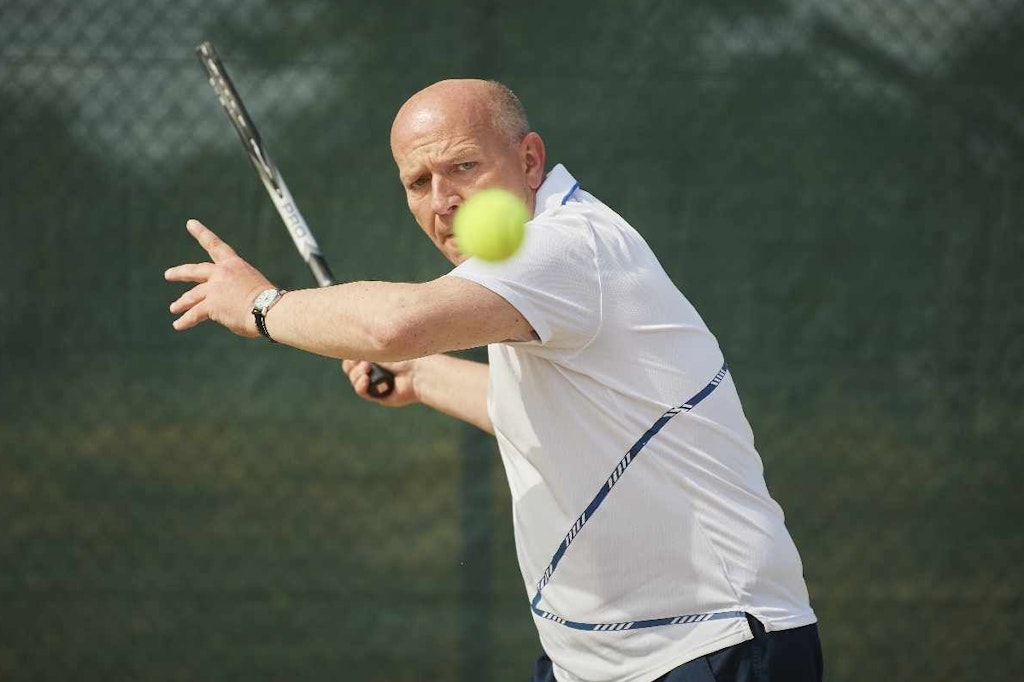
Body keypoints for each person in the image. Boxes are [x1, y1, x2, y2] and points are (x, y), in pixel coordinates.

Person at [166, 79, 822, 682]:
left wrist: (260, 306)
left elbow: (396, 326)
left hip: (713, 647)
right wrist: (420, 378)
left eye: (462, 167)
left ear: (529, 160)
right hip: (588, 660)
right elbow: (539, 414)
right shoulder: (531, 274)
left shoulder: (565, 246)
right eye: (417, 182)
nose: (443, 200)